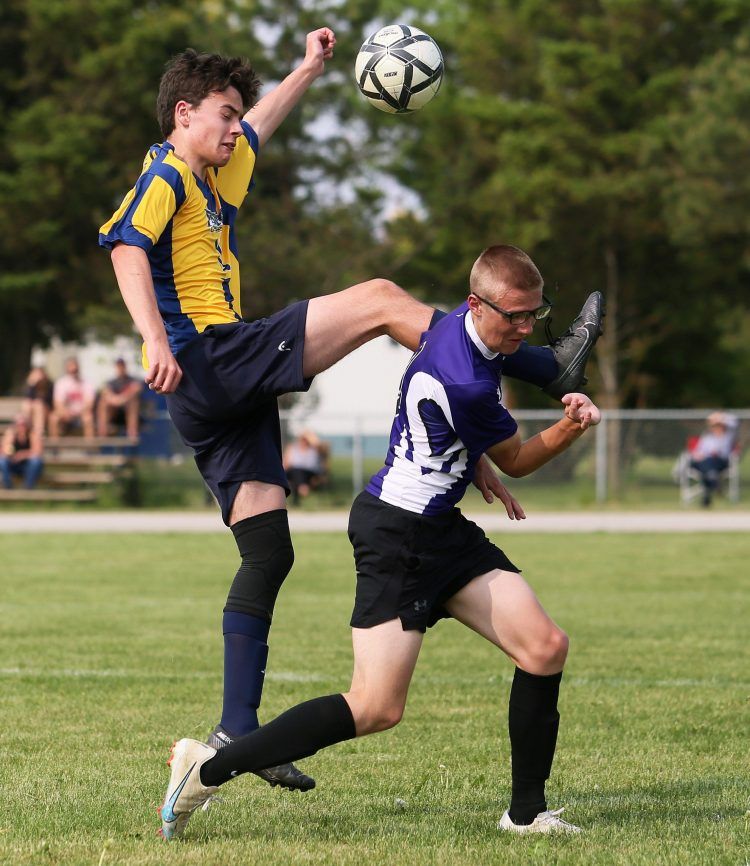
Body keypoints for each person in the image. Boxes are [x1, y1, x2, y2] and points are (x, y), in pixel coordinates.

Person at [98, 29, 604, 795]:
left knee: (269, 553)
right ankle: (546, 362)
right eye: (224, 113)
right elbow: (126, 247)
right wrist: (150, 338)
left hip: (208, 398)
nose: (237, 126)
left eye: (237, 115)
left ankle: (237, 732)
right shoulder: (168, 171)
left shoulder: (216, 172)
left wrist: (306, 69)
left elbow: (260, 127)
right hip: (208, 357)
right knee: (379, 301)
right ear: (182, 113)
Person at [157, 244, 601, 840]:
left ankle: (526, 816)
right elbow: (519, 460)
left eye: (534, 315)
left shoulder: (453, 332)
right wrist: (571, 422)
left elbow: (443, 426)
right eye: (513, 316)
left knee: (545, 648)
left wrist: (468, 459)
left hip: (441, 528)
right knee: (375, 707)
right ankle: (208, 768)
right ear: (477, 304)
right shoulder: (467, 377)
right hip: (398, 534)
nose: (525, 328)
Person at [689, 411, 739, 507]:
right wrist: (698, 455)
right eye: (715, 426)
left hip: (720, 462)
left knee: (709, 465)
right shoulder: (707, 437)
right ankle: (713, 480)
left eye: (719, 425)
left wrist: (721, 417)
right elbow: (698, 451)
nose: (717, 428)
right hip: (703, 462)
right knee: (706, 466)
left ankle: (707, 494)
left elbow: (735, 422)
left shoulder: (728, 436)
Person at [49, 357, 95, 439]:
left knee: (88, 419)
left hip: (82, 413)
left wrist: (79, 412)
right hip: (65, 413)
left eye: (75, 367)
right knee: (53, 418)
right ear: (67, 369)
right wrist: (66, 412)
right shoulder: (61, 383)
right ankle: (55, 447)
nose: (73, 369)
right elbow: (58, 403)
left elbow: (89, 403)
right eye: (71, 367)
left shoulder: (87, 383)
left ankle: (90, 448)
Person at [97, 358, 142, 439]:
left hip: (128, 411)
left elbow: (136, 388)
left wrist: (122, 398)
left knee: (133, 403)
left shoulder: (132, 380)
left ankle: (132, 433)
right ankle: (102, 433)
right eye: (119, 366)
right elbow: (106, 392)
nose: (120, 368)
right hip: (113, 412)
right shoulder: (111, 382)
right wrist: (116, 400)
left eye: (122, 366)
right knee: (103, 403)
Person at [283, 430, 328, 503]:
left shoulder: (314, 449)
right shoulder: (292, 448)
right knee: (296, 471)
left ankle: (300, 491)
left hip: (309, 473)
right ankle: (303, 487)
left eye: (306, 439)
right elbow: (286, 464)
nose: (304, 441)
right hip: (293, 471)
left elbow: (320, 446)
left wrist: (312, 439)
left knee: (298, 473)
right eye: (302, 439)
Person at [0, 414, 44, 490]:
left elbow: (38, 452)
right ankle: (8, 486)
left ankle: (27, 488)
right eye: (19, 424)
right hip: (14, 465)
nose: (21, 427)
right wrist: (10, 444)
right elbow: (3, 451)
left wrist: (22, 455)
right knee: (2, 461)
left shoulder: (32, 434)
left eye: (23, 424)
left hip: (28, 466)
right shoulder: (11, 434)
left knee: (36, 461)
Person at [21, 367, 54, 436]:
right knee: (26, 404)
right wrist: (32, 385)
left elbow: (48, 401)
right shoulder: (32, 386)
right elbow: (28, 397)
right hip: (33, 411)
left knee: (38, 405)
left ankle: (38, 434)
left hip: (47, 411)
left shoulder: (50, 385)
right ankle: (26, 431)